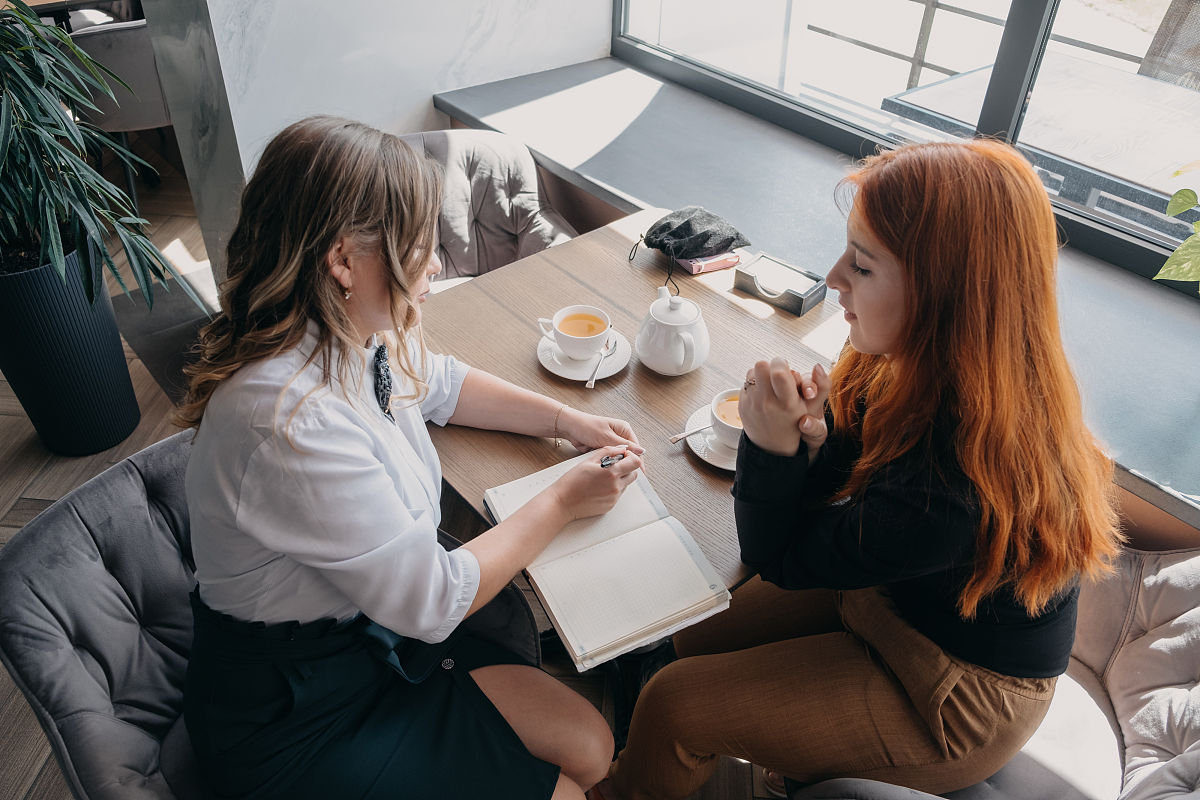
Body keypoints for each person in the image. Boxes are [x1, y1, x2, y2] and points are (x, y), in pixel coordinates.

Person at [594, 139, 1123, 800]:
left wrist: (770, 447)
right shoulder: (908, 360)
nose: (834, 276)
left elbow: (779, 559)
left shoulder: (962, 479)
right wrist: (810, 441)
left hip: (958, 691)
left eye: (863, 266)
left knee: (676, 705)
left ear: (941, 295)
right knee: (683, 639)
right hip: (891, 596)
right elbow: (828, 502)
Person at [176, 115, 645, 800]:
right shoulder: (285, 422)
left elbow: (442, 382)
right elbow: (433, 598)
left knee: (593, 747)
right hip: (290, 712)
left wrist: (563, 420)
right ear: (342, 260)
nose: (436, 263)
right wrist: (564, 499)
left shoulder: (349, 328)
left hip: (368, 636)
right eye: (419, 245)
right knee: (572, 789)